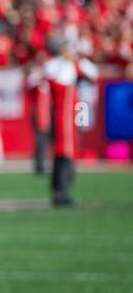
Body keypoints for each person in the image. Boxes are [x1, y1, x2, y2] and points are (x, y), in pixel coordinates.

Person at [44, 41, 98, 207]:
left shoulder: (72, 65)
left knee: (67, 152)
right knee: (64, 151)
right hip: (63, 115)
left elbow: (92, 74)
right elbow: (60, 77)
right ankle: (61, 192)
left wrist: (76, 59)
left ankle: (61, 191)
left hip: (70, 114)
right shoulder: (56, 66)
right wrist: (69, 60)